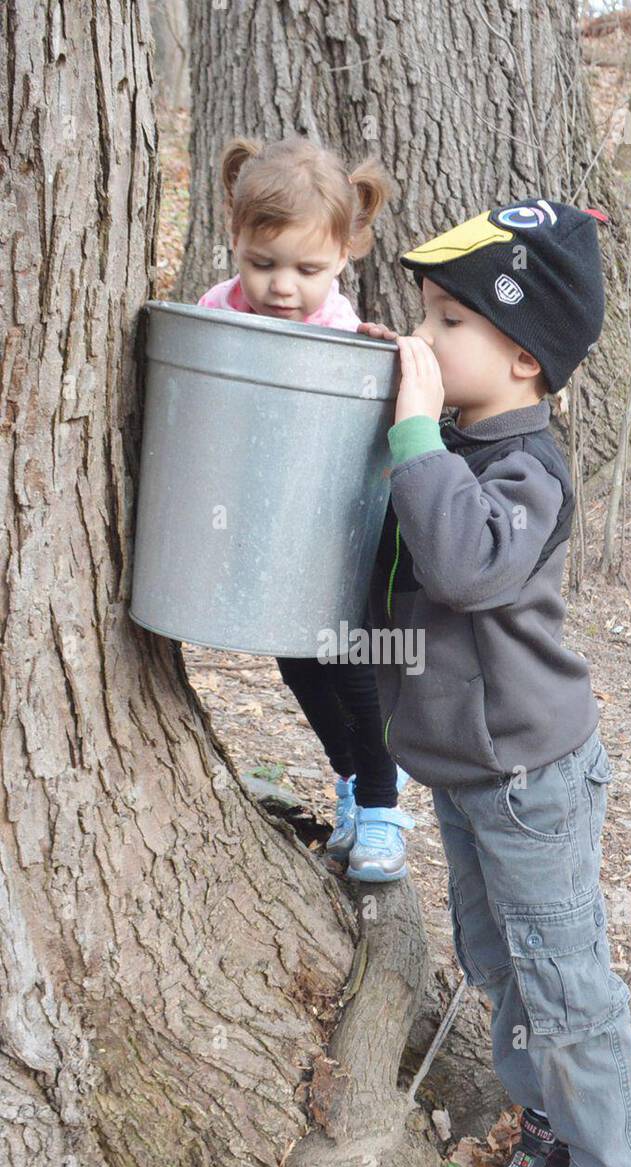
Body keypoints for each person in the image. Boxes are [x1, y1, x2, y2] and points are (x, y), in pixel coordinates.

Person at [365, 199, 631, 1167]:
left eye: (446, 321)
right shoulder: (452, 441)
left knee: (563, 976)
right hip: (465, 771)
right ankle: (549, 1114)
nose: (423, 338)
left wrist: (411, 427)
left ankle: (618, 1157)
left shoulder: (526, 472)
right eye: (424, 315)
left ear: (523, 359)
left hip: (530, 775)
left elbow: (458, 560)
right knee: (496, 958)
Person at [198, 134, 414, 881]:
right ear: (233, 239)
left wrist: (379, 359)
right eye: (263, 264)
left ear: (345, 255)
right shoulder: (216, 314)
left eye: (306, 269)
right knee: (294, 659)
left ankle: (384, 804)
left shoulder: (341, 333)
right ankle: (350, 779)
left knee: (348, 661)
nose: (282, 286)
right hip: (261, 524)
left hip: (332, 530)